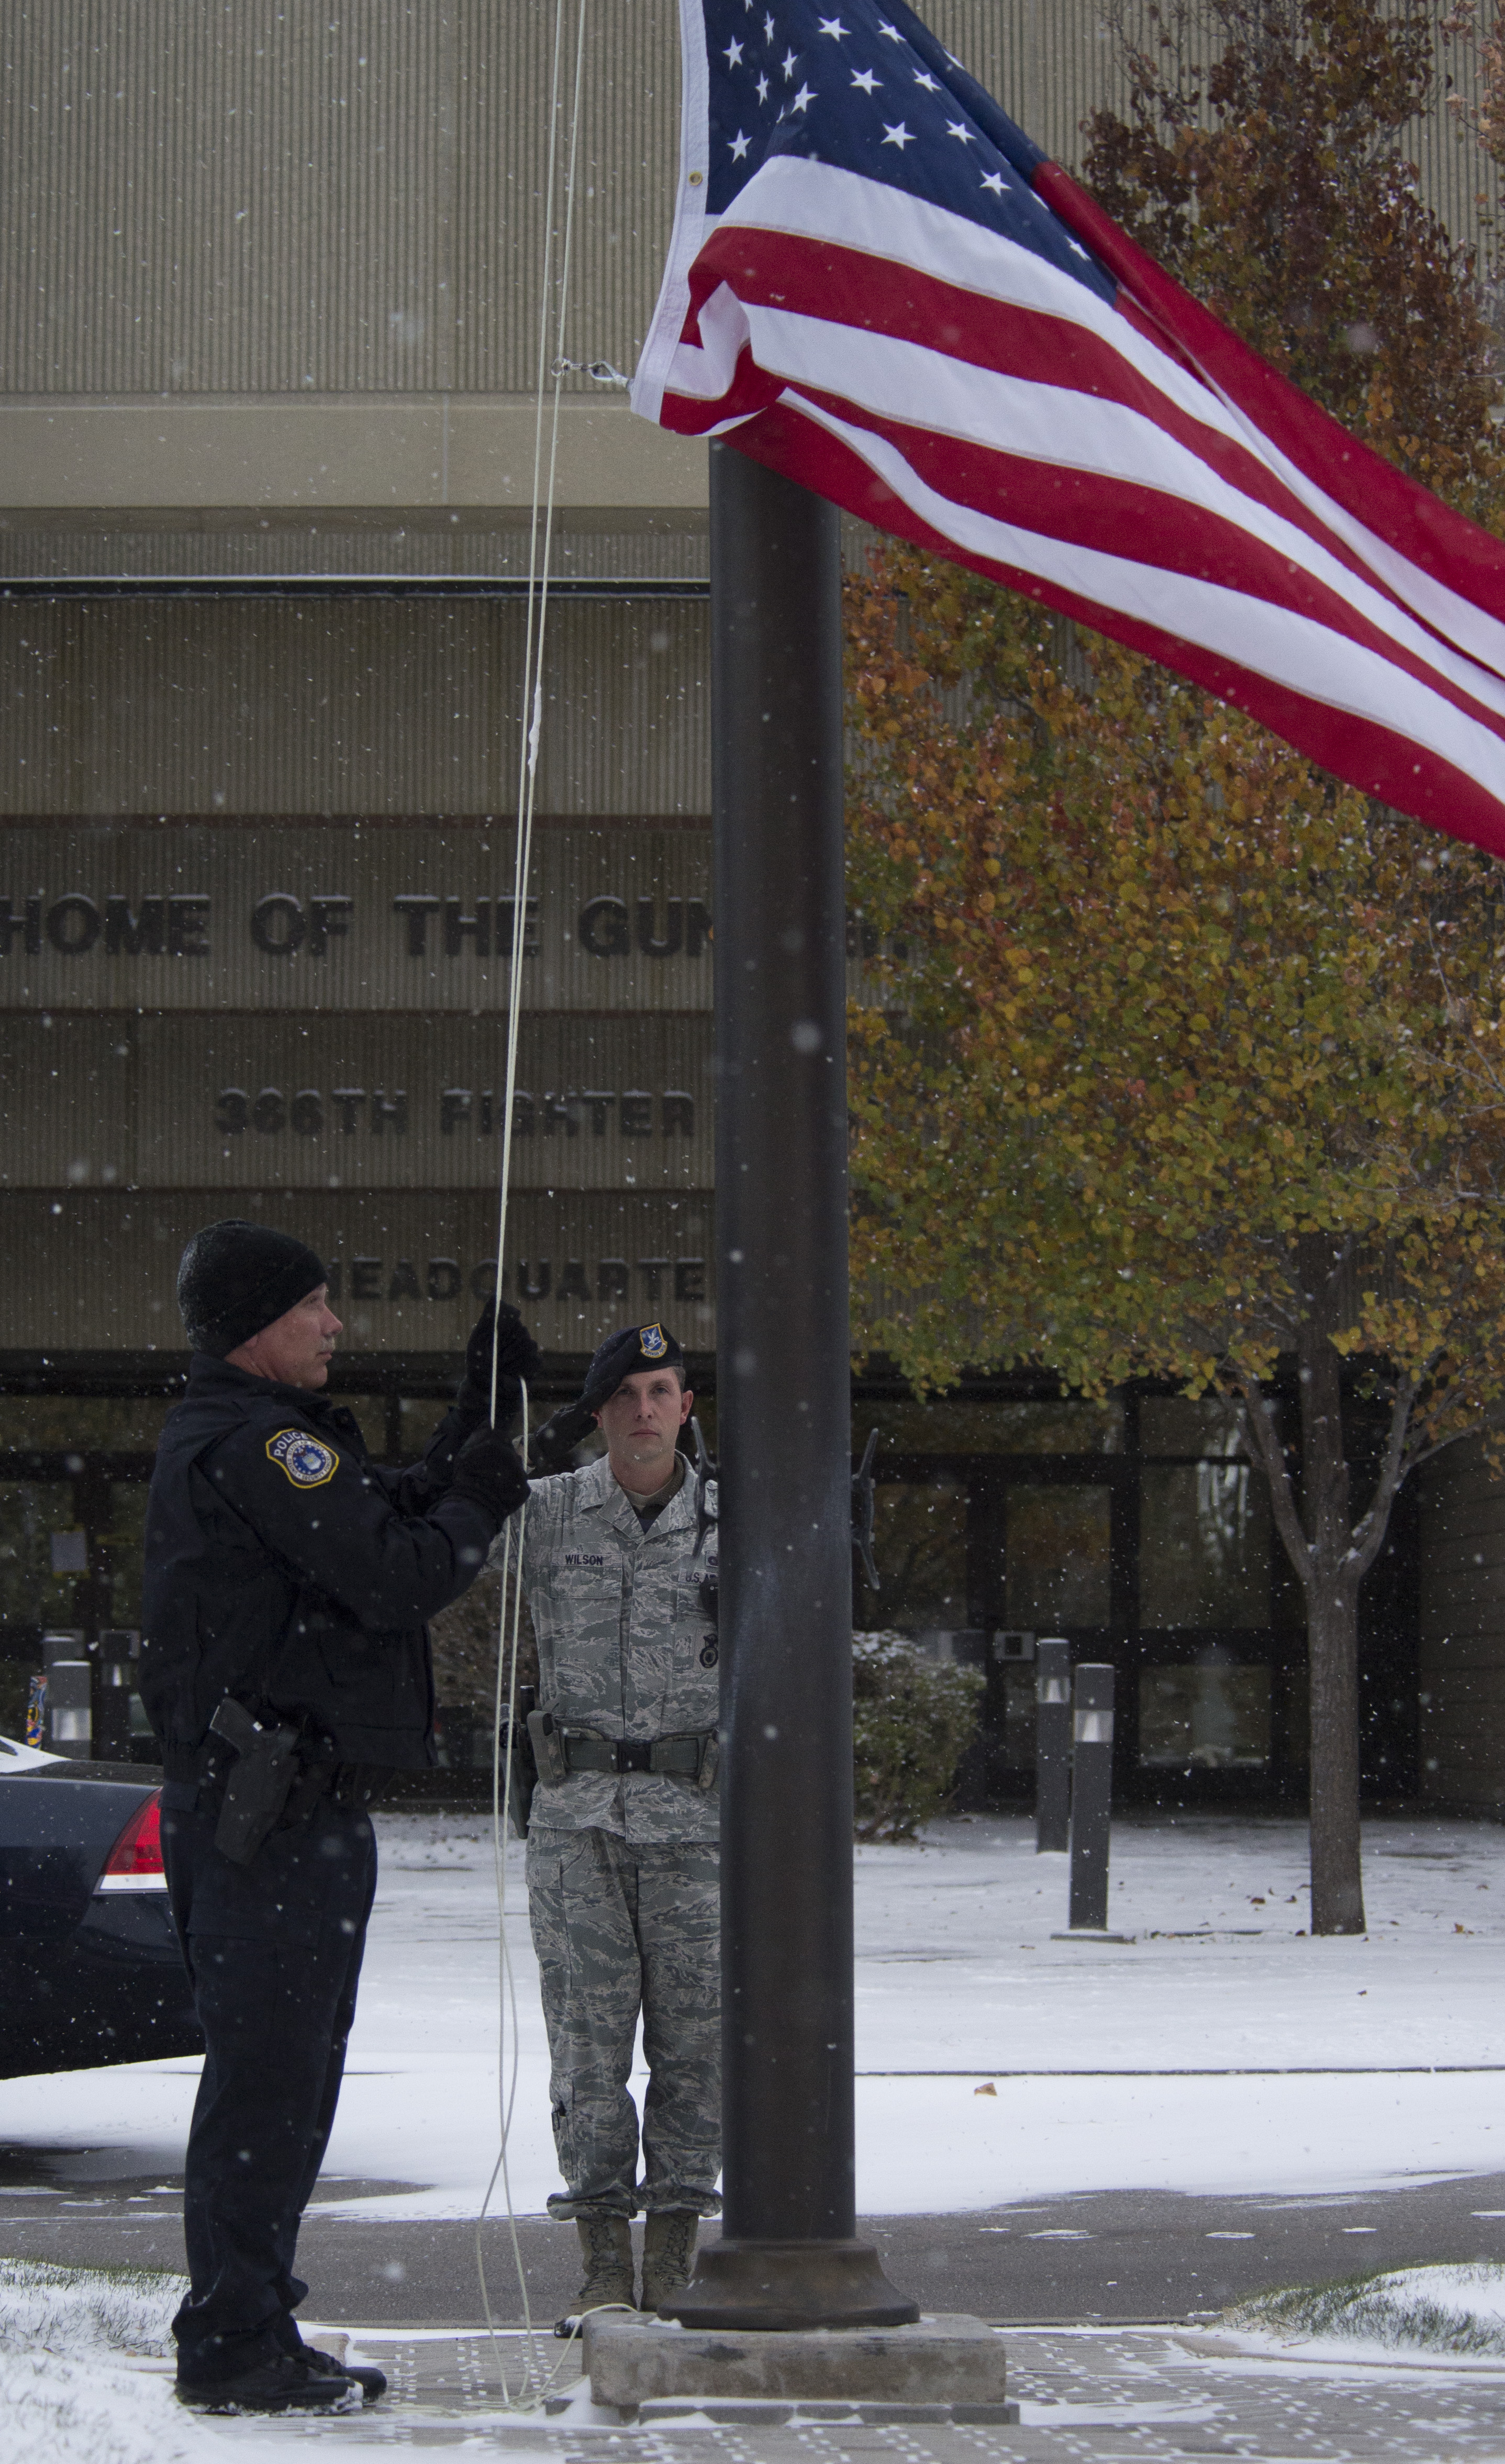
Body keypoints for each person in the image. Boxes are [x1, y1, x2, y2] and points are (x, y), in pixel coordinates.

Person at [139, 1219, 534, 2415]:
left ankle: (252, 2319)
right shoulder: (253, 1442)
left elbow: (383, 1506)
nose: (335, 1324)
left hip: (287, 1815)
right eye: (315, 1304)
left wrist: (476, 1427)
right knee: (269, 2083)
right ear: (258, 1324)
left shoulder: (263, 1438)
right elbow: (396, 1567)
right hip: (266, 1819)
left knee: (291, 2079)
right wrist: (475, 1500)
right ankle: (230, 2336)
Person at [514, 1319, 720, 2326]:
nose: (647, 1412)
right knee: (588, 2050)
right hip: (579, 1825)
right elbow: (429, 1544)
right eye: (628, 1394)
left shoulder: (738, 1520)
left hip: (700, 1828)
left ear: (688, 1408)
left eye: (664, 1391)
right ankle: (602, 2260)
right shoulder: (546, 1515)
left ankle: (675, 2257)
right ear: (599, 1414)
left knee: (696, 2050)